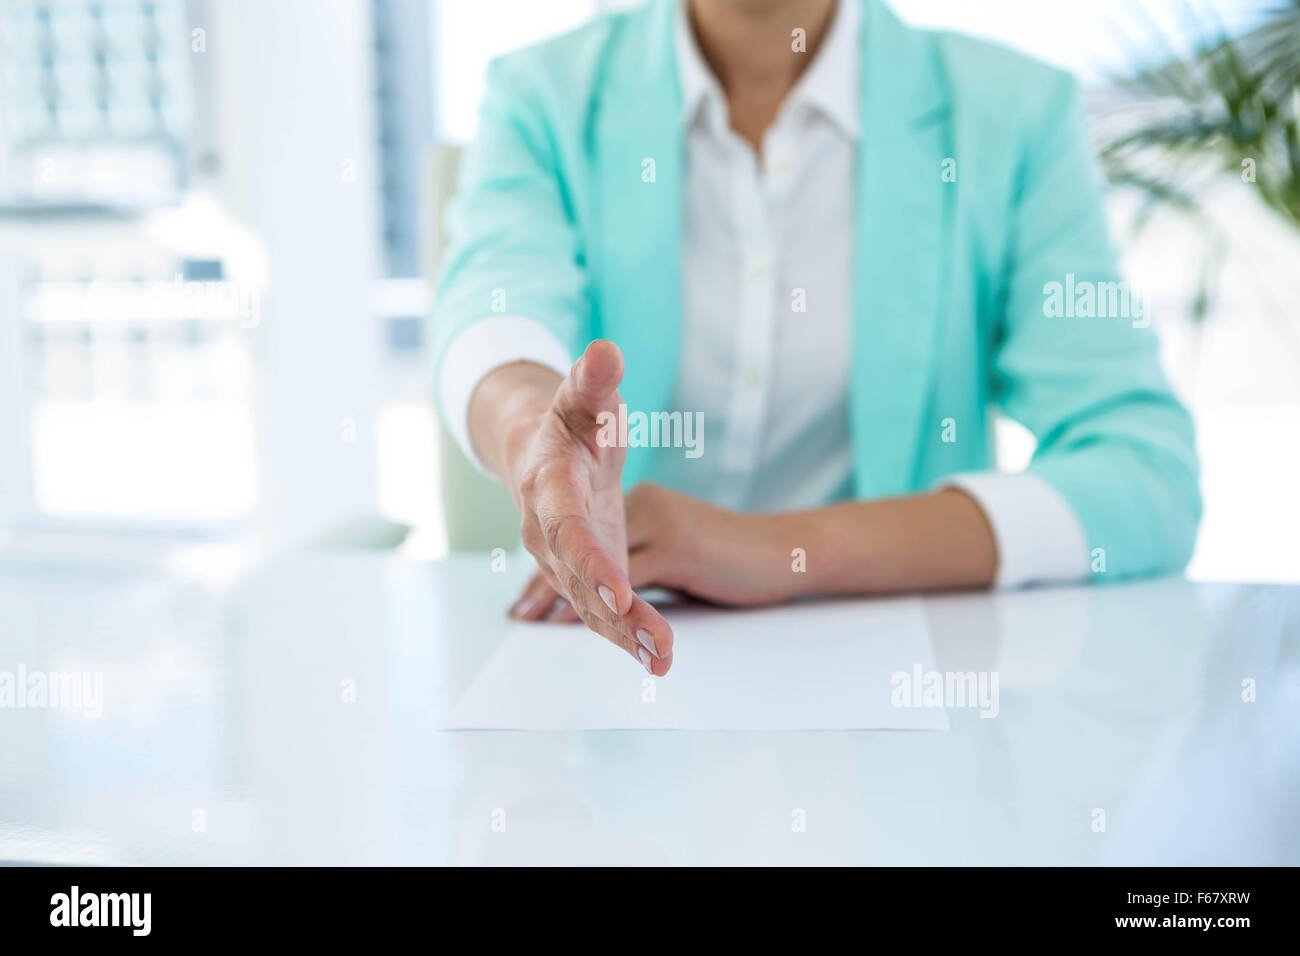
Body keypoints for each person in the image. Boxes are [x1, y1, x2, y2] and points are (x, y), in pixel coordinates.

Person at [431, 0, 1201, 676]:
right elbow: (495, 302)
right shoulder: (540, 94)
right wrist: (535, 428)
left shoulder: (1014, 112)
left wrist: (783, 549)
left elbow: (1145, 473)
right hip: (605, 673)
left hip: (899, 696)